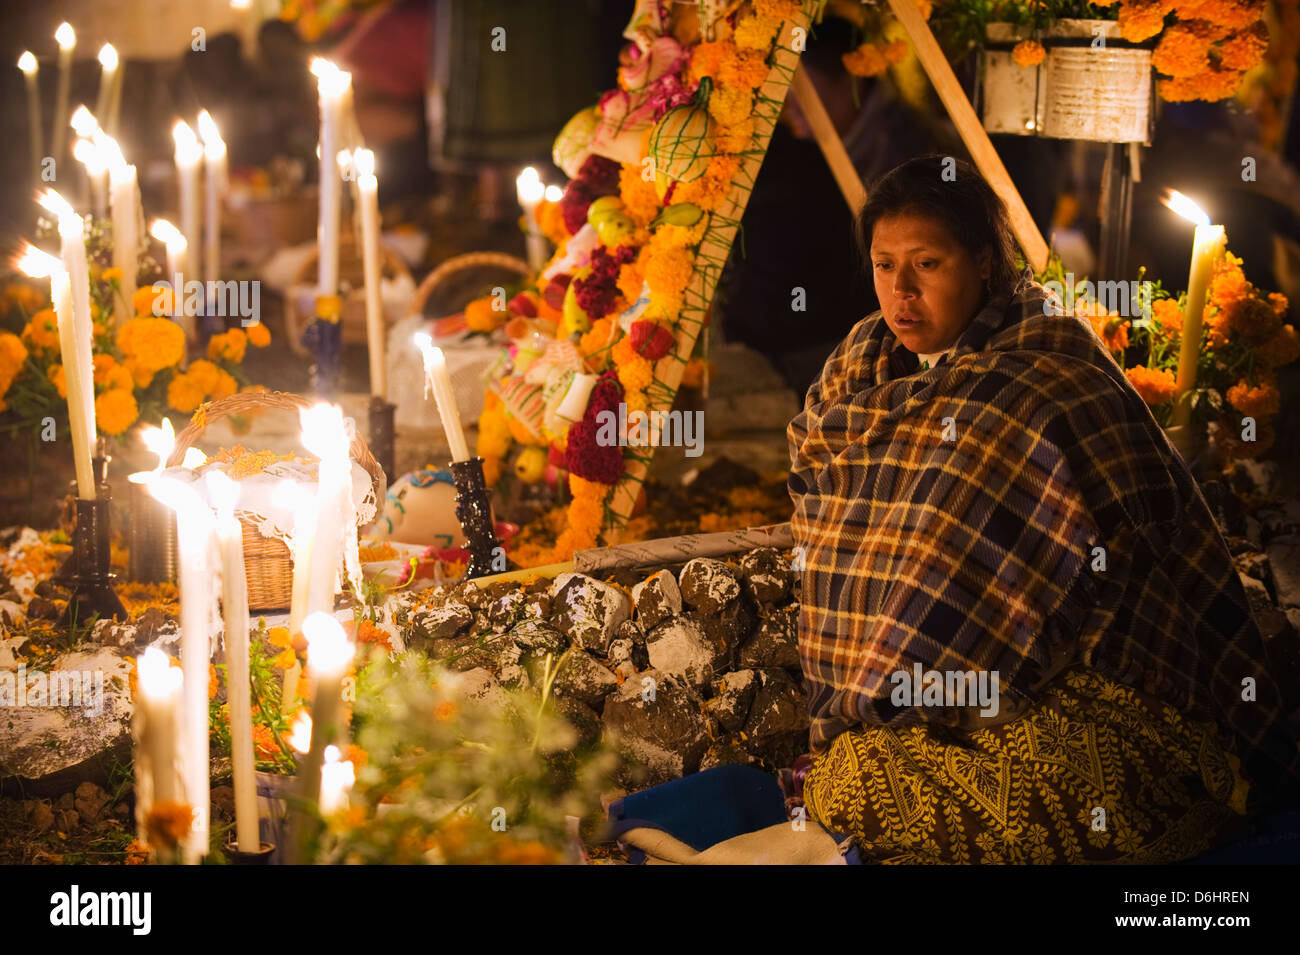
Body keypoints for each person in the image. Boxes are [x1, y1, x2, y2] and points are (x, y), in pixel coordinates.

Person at [785, 155, 1300, 863]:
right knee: (852, 775)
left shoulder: (1042, 372)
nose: (899, 291)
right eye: (883, 265)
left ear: (986, 263)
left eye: (927, 264)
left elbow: (1079, 560)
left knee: (857, 784)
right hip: (931, 697)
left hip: (1092, 682)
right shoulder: (854, 374)